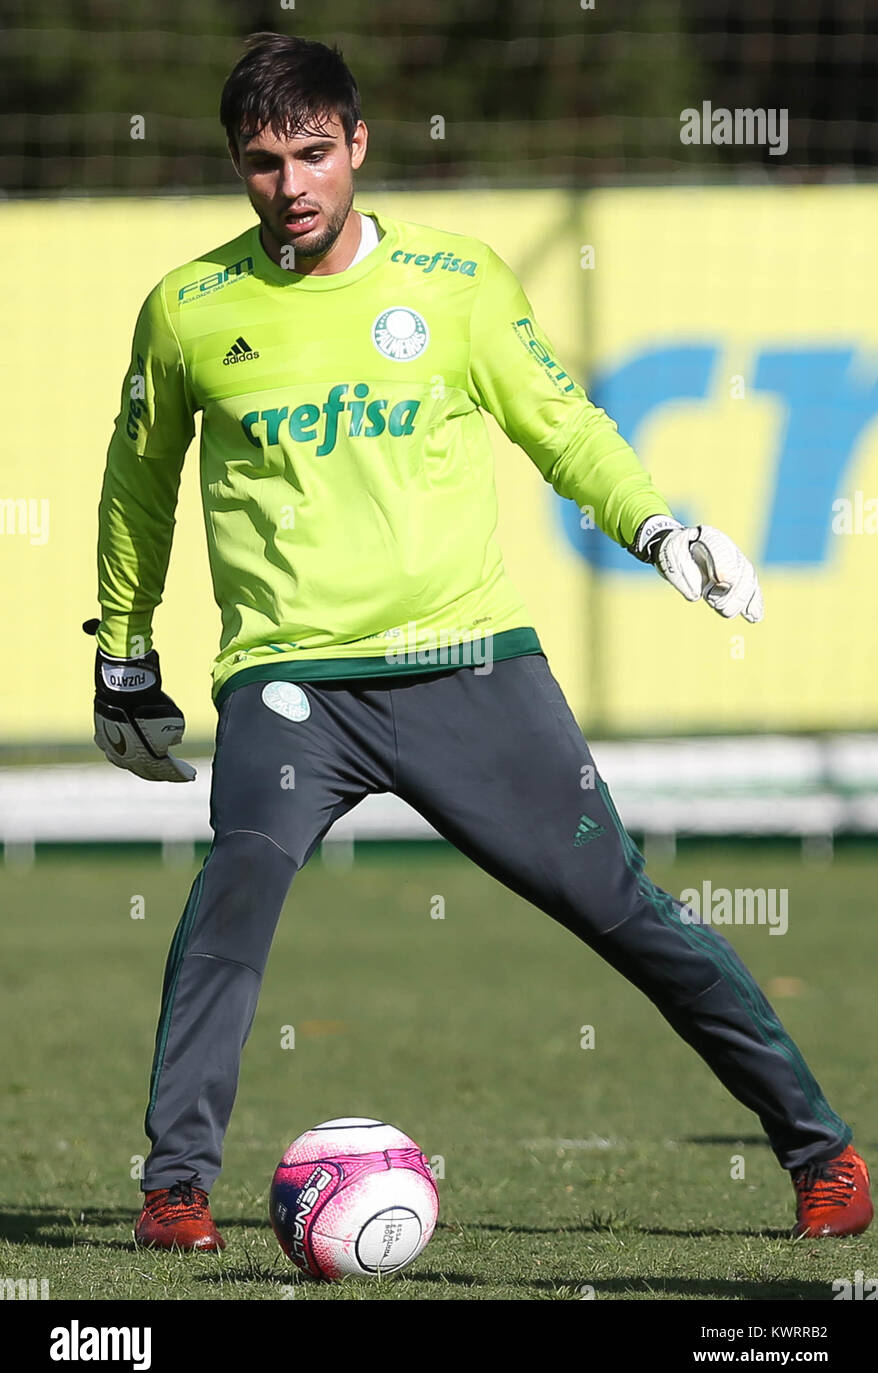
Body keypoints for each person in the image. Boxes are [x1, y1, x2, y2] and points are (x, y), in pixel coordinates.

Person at [87, 32, 871, 1252]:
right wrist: (122, 651)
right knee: (233, 891)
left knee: (623, 910)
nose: (288, 184)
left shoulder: (454, 282)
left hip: (470, 666)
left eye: (309, 153)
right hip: (291, 679)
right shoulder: (189, 310)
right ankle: (174, 1187)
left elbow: (559, 425)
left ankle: (819, 1152)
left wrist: (659, 530)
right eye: (259, 163)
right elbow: (136, 483)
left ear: (356, 144)